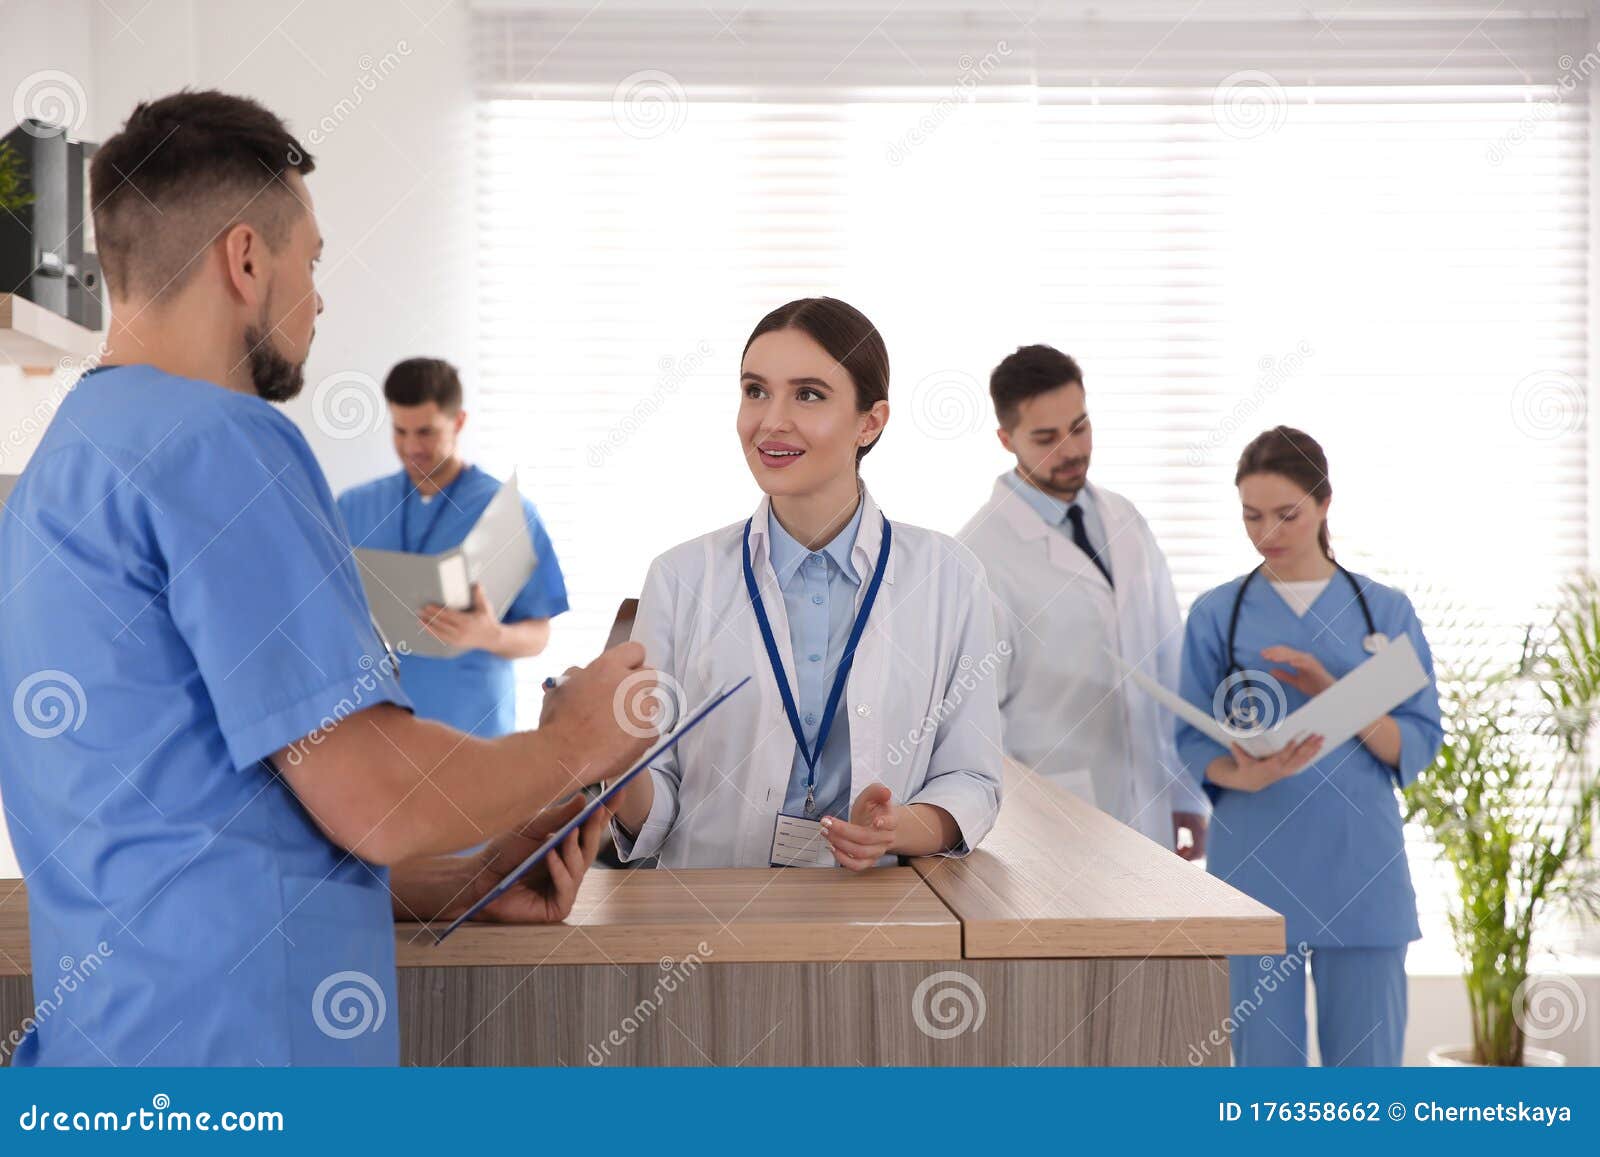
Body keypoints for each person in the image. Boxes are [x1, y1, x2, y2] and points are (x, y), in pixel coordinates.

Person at [0, 91, 652, 1067]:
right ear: (246, 258)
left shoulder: (64, 462)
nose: (318, 295)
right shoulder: (223, 442)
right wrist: (577, 741)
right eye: (311, 260)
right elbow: (379, 794)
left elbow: (192, 814)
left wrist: (440, 883)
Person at [609, 297, 1004, 869]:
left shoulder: (949, 576)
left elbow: (971, 779)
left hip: (877, 917)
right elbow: (658, 801)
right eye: (755, 391)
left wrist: (895, 829)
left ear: (870, 422)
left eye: (809, 394)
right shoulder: (680, 577)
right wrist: (617, 765)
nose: (771, 421)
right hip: (711, 915)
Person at [1175, 426, 1442, 1066]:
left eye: (1286, 514)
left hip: (1362, 867)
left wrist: (1336, 692)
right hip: (1257, 864)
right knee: (1267, 1081)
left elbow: (1419, 740)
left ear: (1324, 504)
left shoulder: (1386, 611)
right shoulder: (1218, 614)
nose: (1268, 532)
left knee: (1366, 1083)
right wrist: (1243, 777)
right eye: (1251, 515)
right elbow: (1187, 739)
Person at [958, 345, 1208, 856]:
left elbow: (1169, 664)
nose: (1071, 450)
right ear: (1006, 439)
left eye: (1079, 427)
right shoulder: (979, 554)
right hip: (1049, 828)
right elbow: (974, 720)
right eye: (1046, 438)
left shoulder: (1126, 521)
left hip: (1151, 810)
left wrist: (1185, 794)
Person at [337, 357, 568, 737]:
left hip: (473, 734)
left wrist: (489, 635)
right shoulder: (354, 507)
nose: (411, 447)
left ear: (458, 422)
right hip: (375, 734)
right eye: (400, 431)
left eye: (426, 432)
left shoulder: (508, 514)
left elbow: (539, 633)